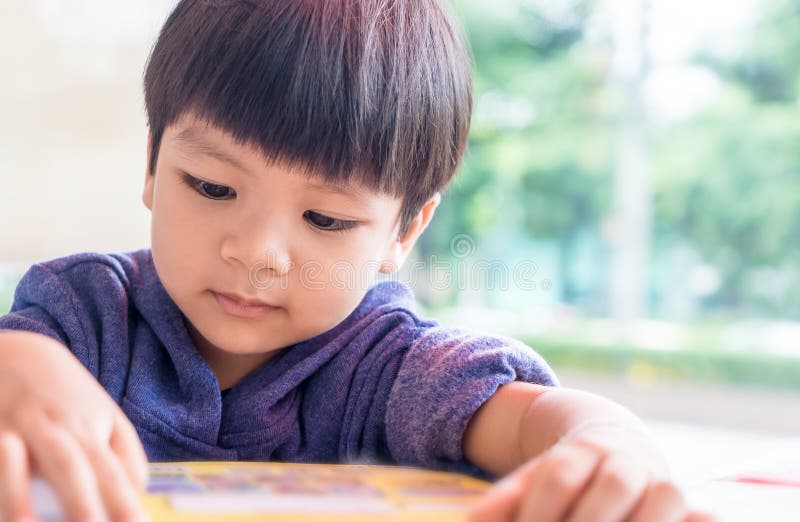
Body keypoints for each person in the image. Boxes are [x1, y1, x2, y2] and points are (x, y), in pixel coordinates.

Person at [0, 1, 712, 521]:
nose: (257, 253)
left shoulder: (387, 369)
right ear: (154, 163)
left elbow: (536, 423)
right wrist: (20, 368)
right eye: (213, 186)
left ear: (403, 232)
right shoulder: (83, 313)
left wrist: (612, 444)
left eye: (327, 219)